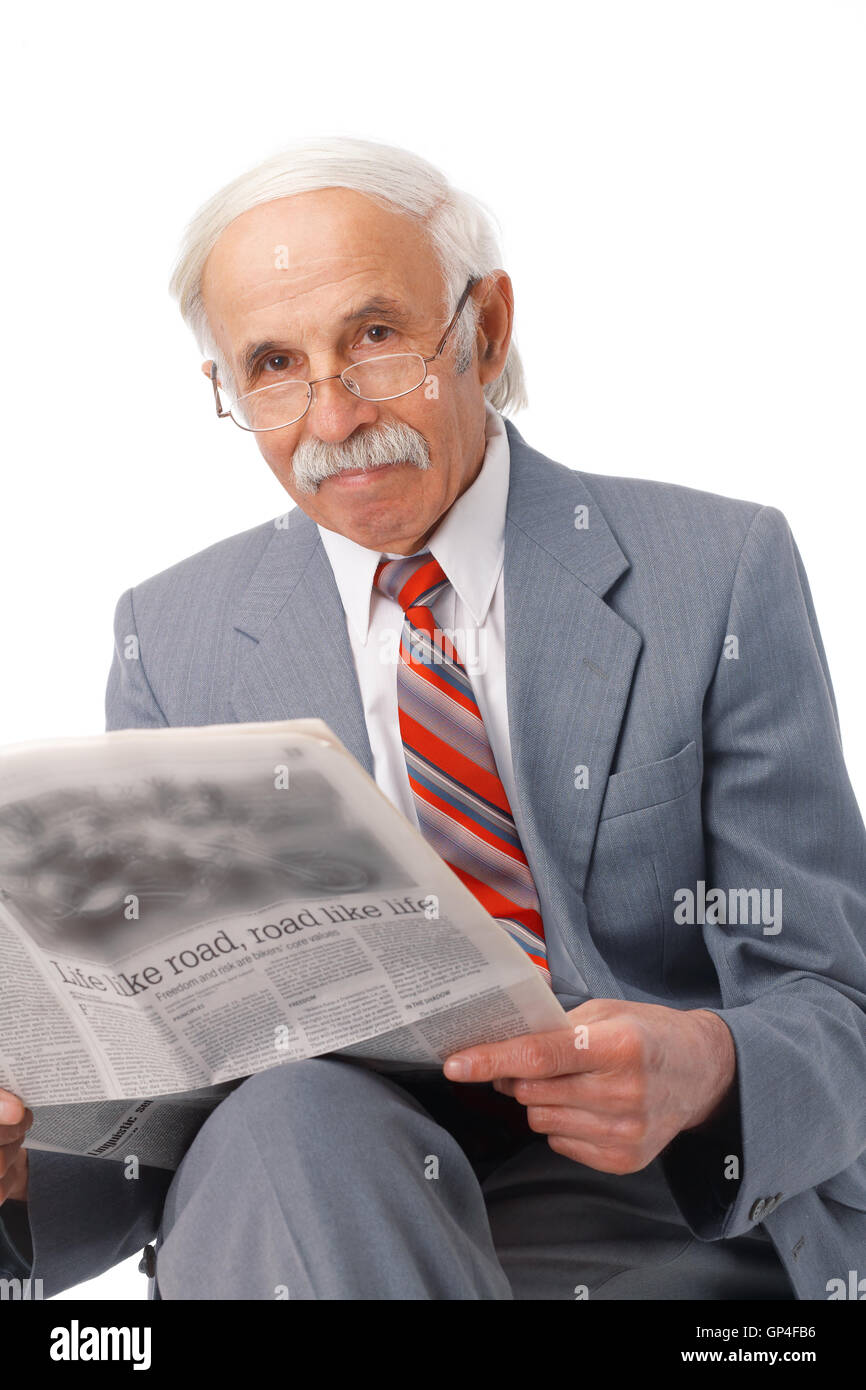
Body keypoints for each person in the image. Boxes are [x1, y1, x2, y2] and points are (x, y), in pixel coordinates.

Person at [2, 136, 865, 1301]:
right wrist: (17, 1172)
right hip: (302, 1185)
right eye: (270, 363)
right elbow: (173, 1080)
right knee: (289, 1117)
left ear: (486, 329)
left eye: (373, 337)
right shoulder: (175, 635)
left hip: (641, 1198)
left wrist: (707, 1063)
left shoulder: (712, 572)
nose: (334, 413)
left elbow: (835, 1005)